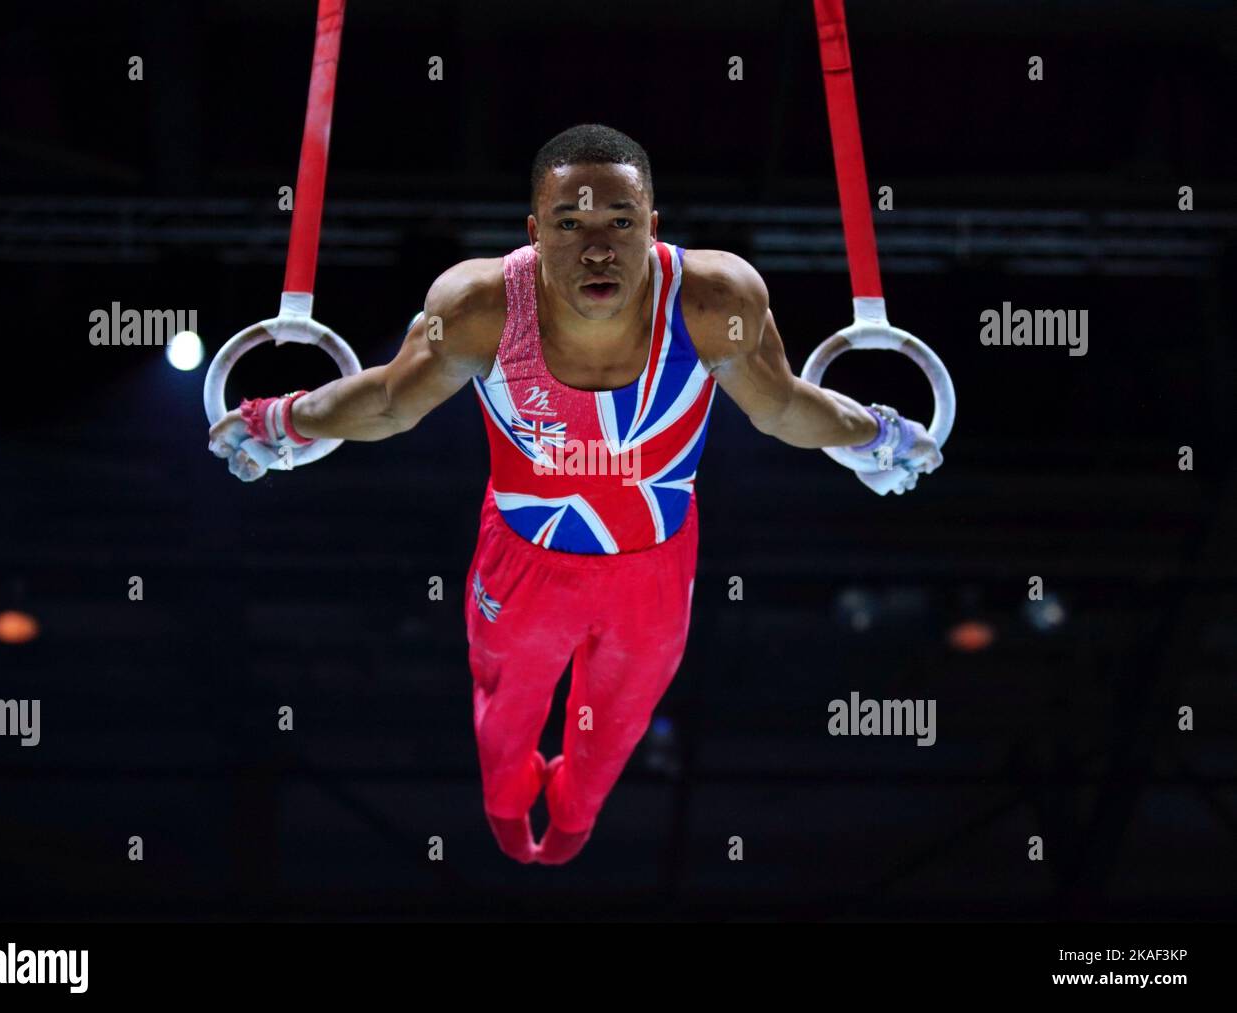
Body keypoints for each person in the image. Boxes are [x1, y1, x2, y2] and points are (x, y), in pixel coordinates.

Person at [208, 124, 942, 865]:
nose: (598, 248)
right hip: (523, 570)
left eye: (620, 222)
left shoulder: (715, 299)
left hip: (651, 577)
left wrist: (875, 432)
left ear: (653, 226)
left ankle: (574, 819)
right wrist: (279, 416)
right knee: (503, 746)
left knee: (606, 748)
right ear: (534, 231)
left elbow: (783, 405)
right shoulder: (480, 304)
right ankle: (507, 805)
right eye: (570, 224)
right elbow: (392, 401)